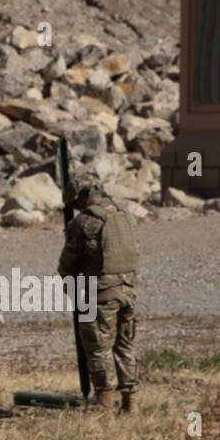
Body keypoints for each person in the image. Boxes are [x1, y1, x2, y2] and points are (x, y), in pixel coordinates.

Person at [57, 174, 140, 412]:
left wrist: (68, 284)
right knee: (125, 346)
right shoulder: (125, 215)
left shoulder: (83, 222)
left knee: (98, 348)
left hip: (98, 295)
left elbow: (67, 263)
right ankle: (130, 403)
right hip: (128, 292)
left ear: (81, 197)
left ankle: (104, 404)